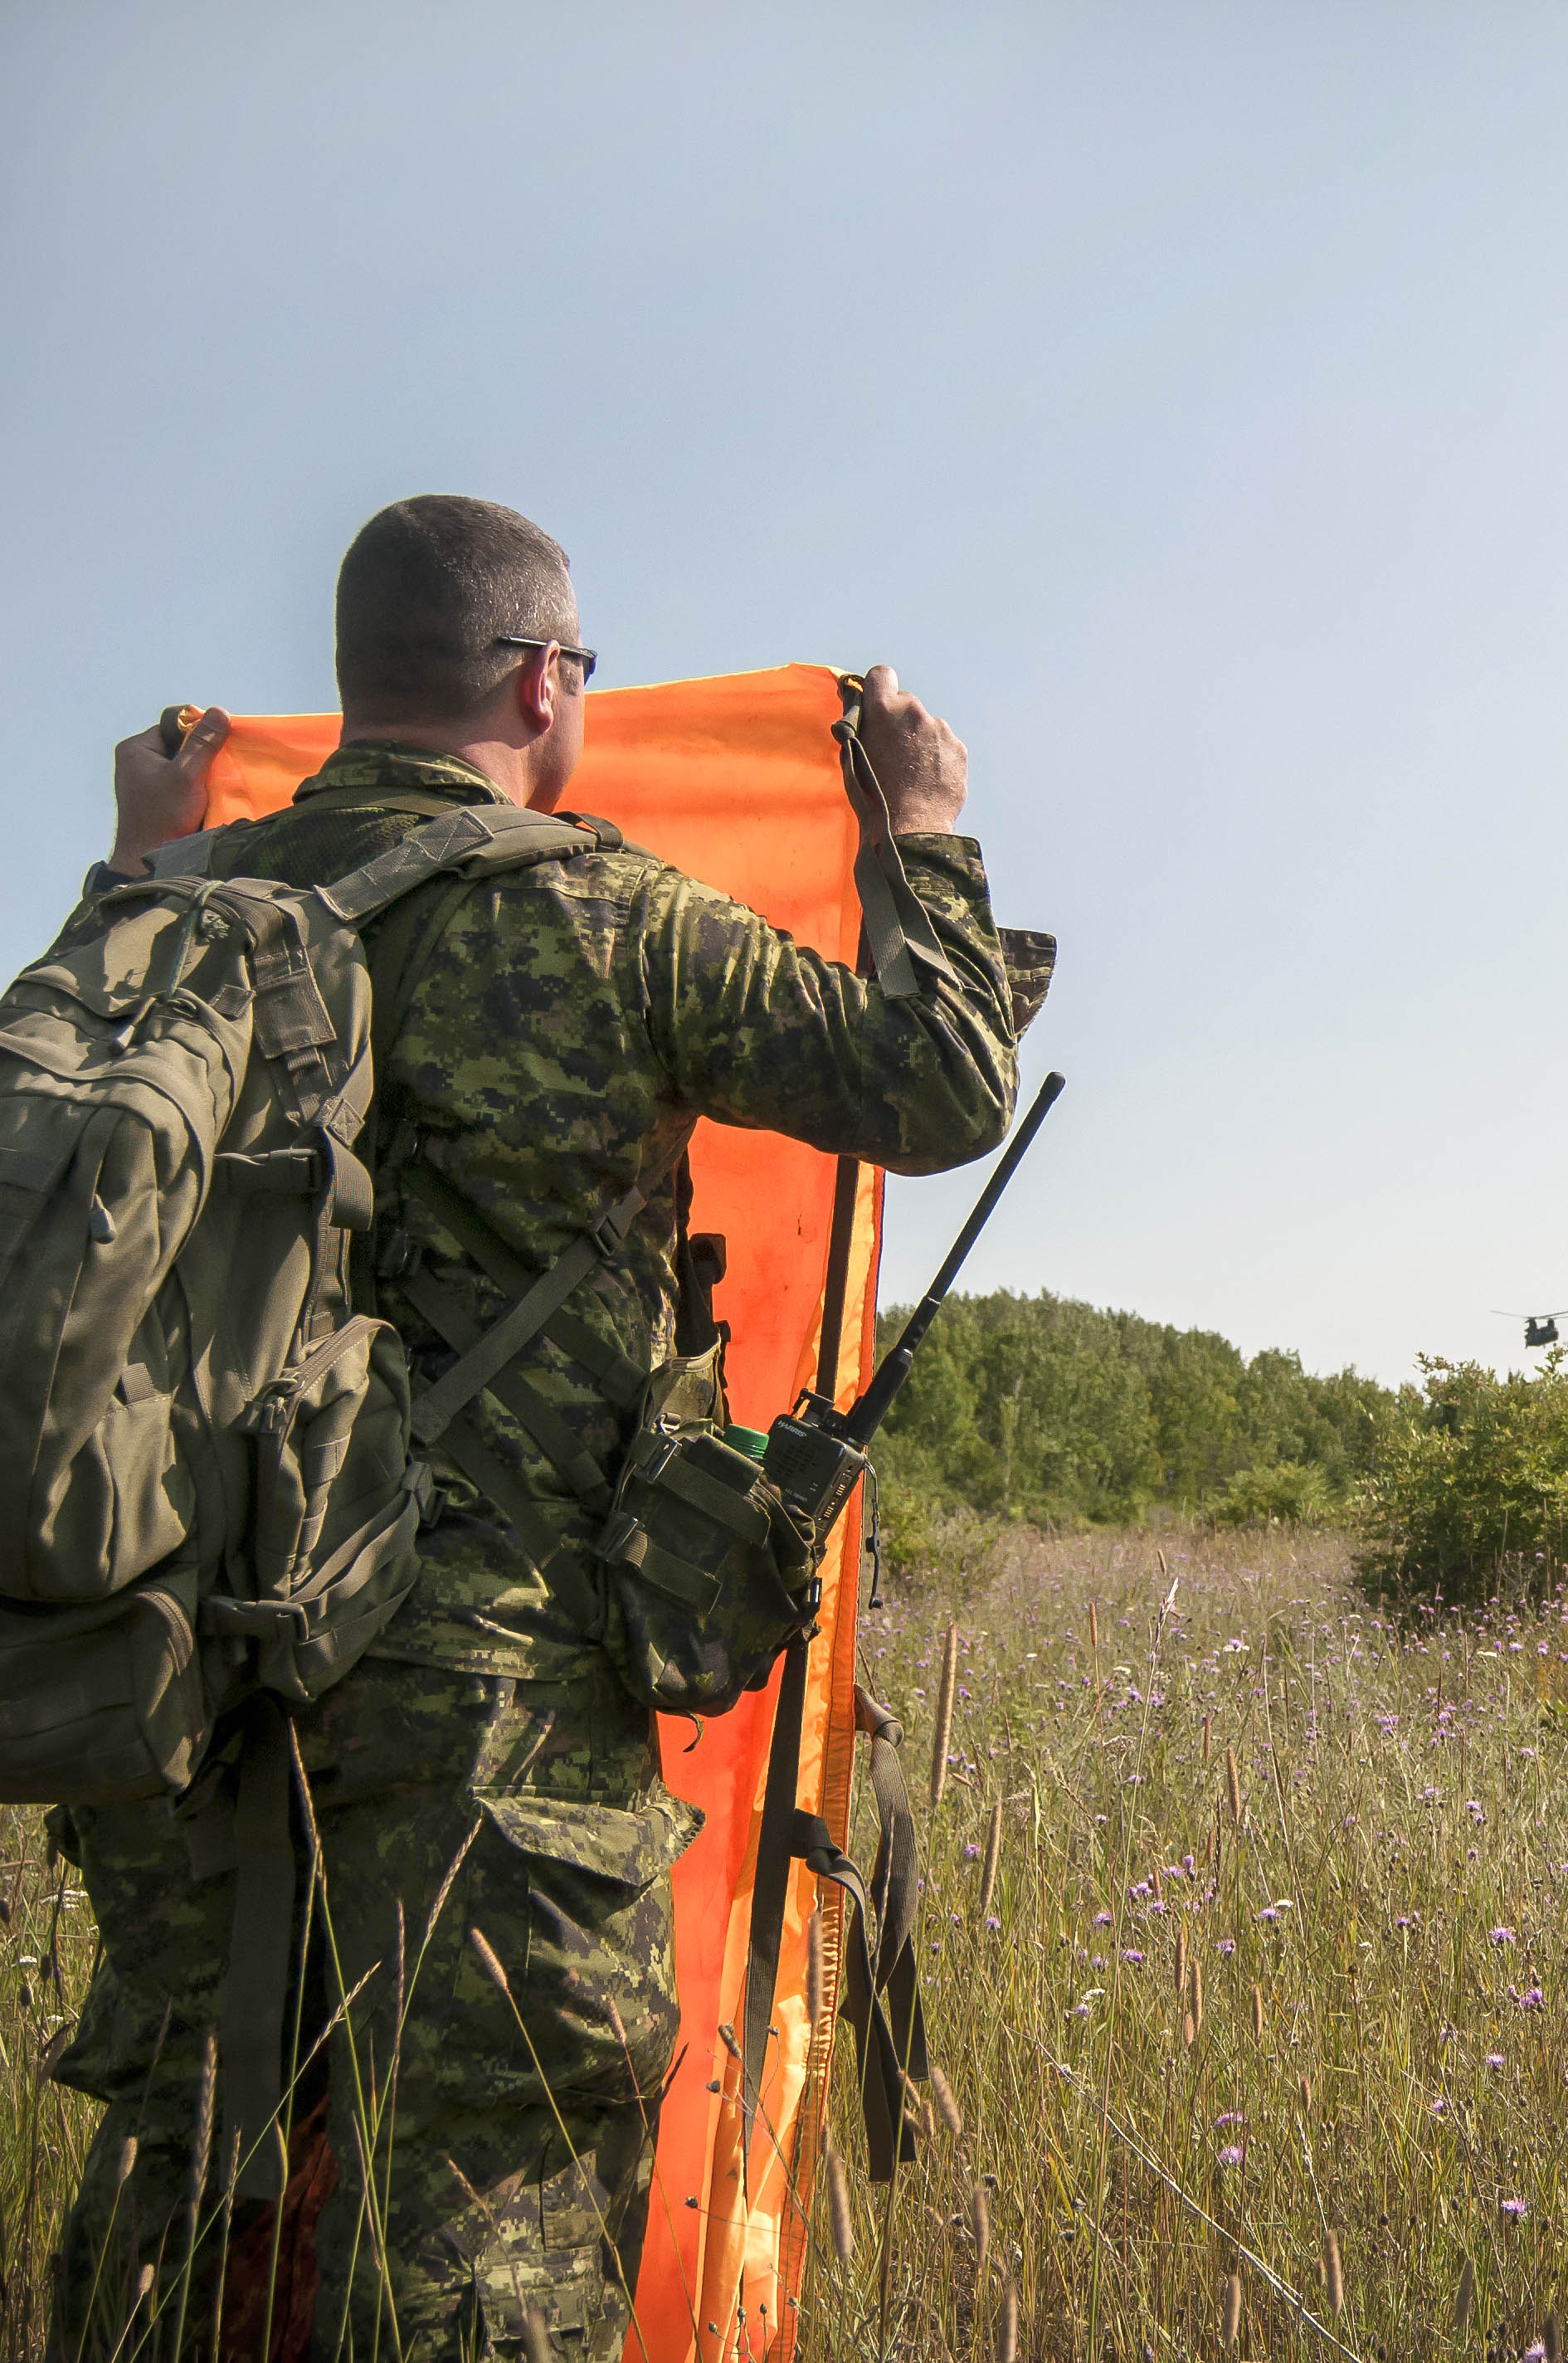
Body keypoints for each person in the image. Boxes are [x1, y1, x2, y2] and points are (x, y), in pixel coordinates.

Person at [46, 495, 1023, 2359]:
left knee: (196, 2208)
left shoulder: (173, 915)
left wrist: (127, 854)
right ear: (540, 679)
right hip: (484, 1723)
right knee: (474, 2255)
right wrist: (922, 830)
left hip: (181, 1687)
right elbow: (937, 1079)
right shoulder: (608, 915)